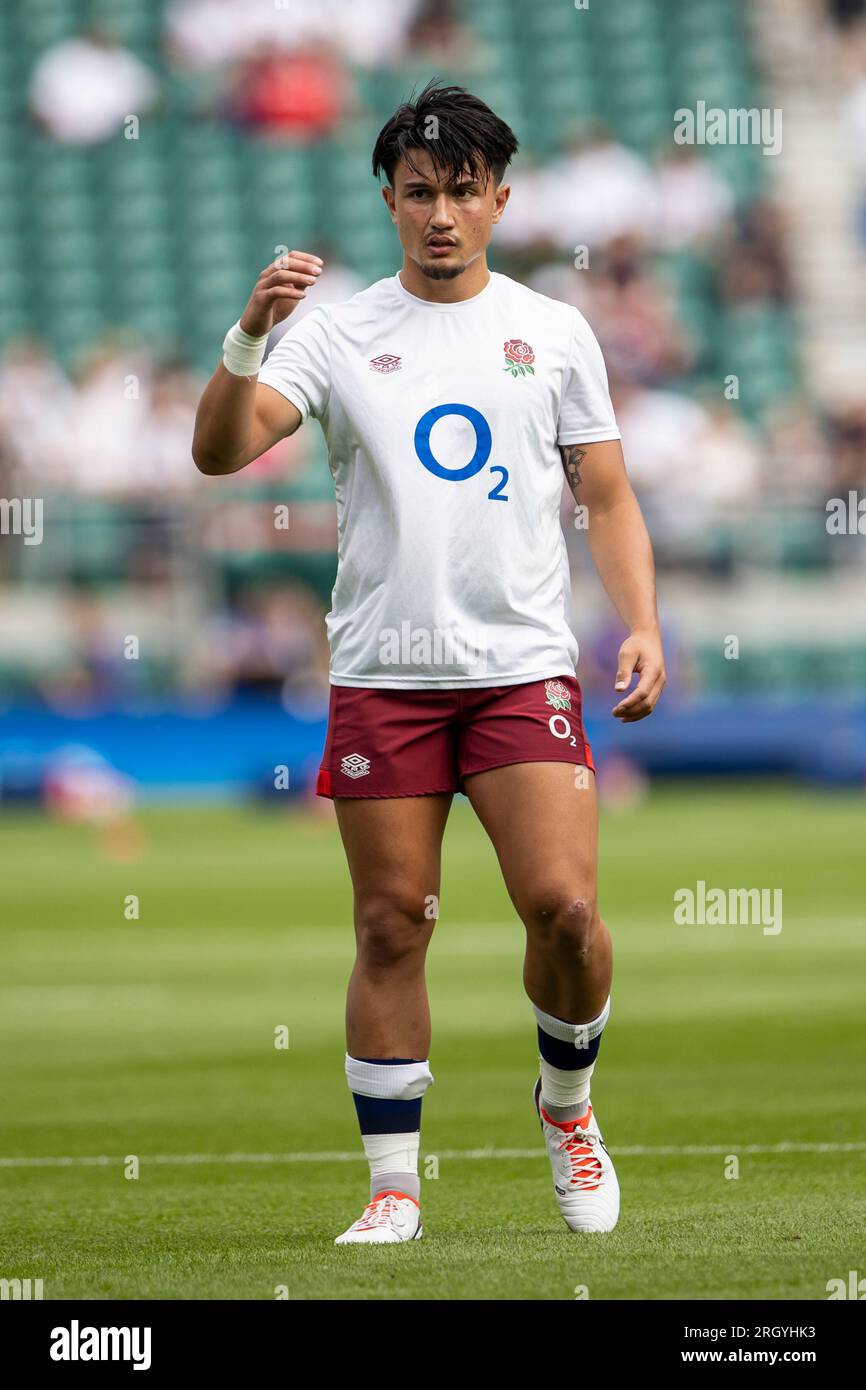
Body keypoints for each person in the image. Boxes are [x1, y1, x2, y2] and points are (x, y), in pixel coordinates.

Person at [192, 81, 666, 1244]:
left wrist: (641, 623)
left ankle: (565, 1109)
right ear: (390, 200)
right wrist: (249, 332)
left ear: (498, 198)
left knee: (562, 907)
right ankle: (393, 1185)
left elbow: (603, 493)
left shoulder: (552, 330)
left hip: (518, 671)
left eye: (461, 191)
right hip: (384, 676)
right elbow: (217, 452)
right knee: (390, 923)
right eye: (417, 192)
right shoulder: (337, 332)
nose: (440, 213)